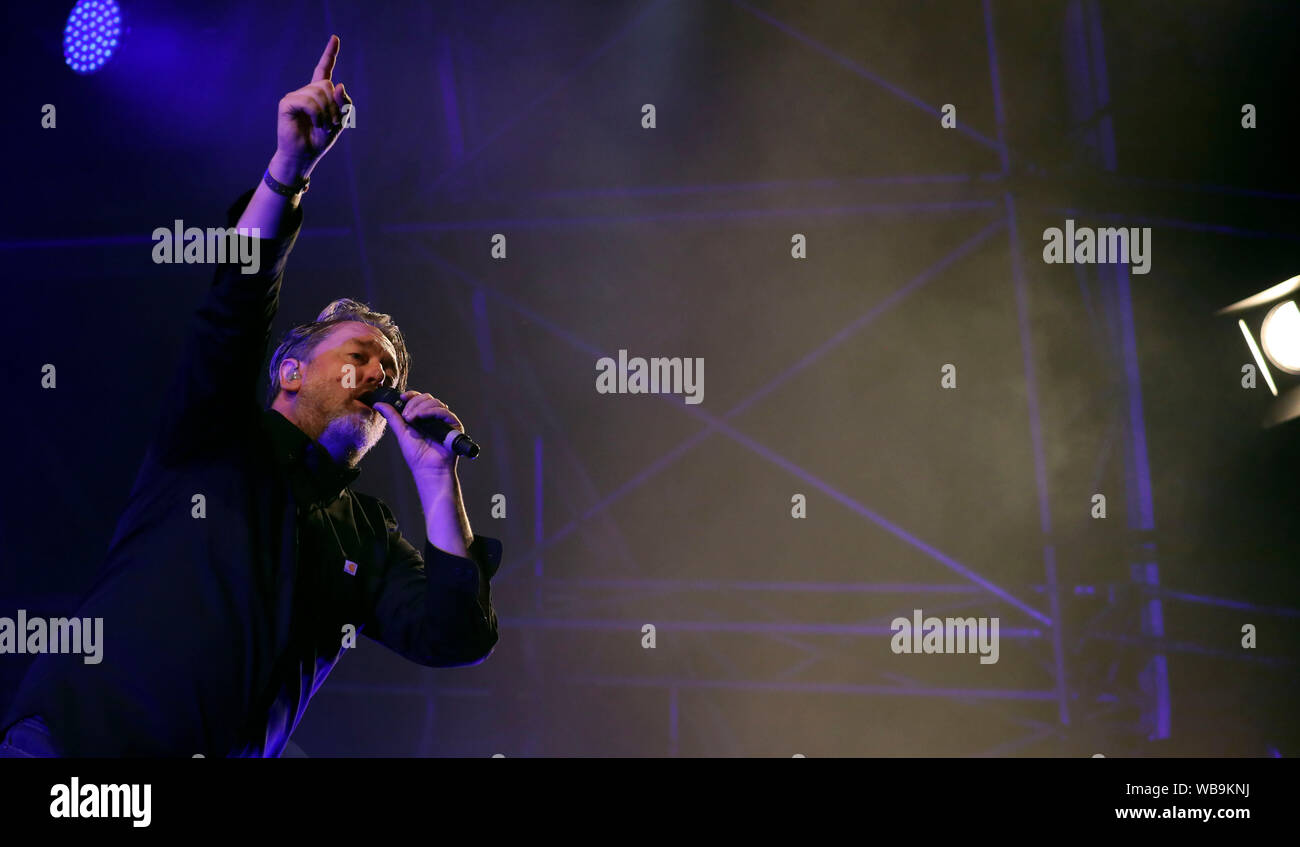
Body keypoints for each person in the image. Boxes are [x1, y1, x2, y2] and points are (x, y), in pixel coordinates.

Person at [0, 35, 501, 757]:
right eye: (358, 353)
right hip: (80, 744)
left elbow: (456, 635)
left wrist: (436, 478)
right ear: (290, 372)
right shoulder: (214, 435)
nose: (378, 373)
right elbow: (232, 306)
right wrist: (287, 174)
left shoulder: (366, 534)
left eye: (388, 366)